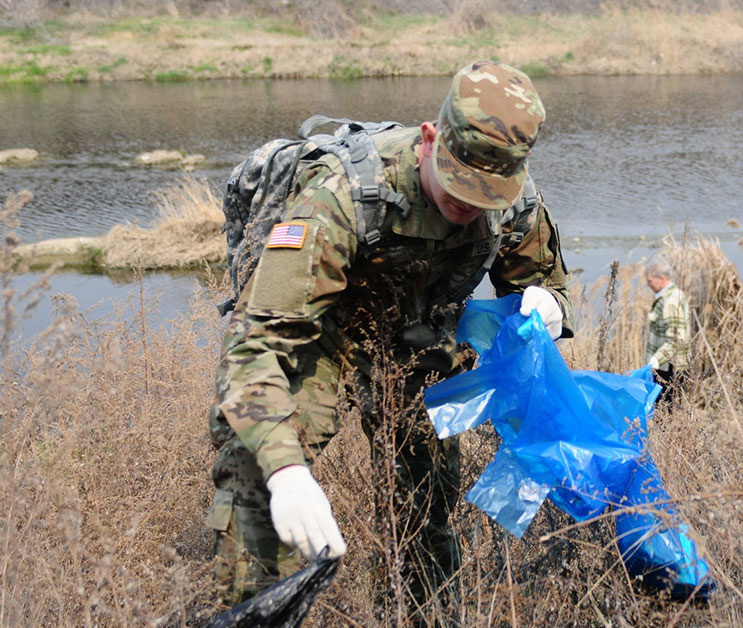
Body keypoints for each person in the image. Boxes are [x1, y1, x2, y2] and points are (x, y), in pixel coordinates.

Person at [204, 60, 573, 618]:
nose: (468, 205)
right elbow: (257, 345)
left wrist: (549, 306)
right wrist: (287, 471)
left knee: (429, 503)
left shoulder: (514, 202)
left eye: (485, 194)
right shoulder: (342, 199)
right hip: (324, 332)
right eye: (457, 185)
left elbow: (543, 280)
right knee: (257, 479)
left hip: (421, 339)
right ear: (430, 140)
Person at [643, 258, 691, 408]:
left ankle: (668, 432)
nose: (648, 285)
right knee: (668, 410)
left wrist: (655, 360)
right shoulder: (673, 295)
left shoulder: (670, 301)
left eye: (650, 281)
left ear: (662, 278)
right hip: (668, 365)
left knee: (664, 409)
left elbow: (677, 339)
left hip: (668, 366)